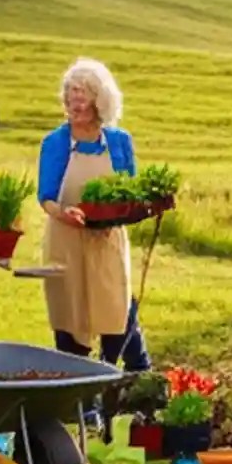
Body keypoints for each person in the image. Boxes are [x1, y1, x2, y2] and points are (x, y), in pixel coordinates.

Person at [37, 57, 149, 371]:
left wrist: (121, 214)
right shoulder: (55, 143)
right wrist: (63, 213)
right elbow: (45, 197)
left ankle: (129, 377)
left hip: (107, 238)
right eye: (71, 92)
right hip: (65, 239)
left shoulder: (119, 142)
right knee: (70, 314)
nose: (75, 100)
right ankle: (76, 389)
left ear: (100, 101)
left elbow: (130, 192)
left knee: (116, 306)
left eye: (83, 92)